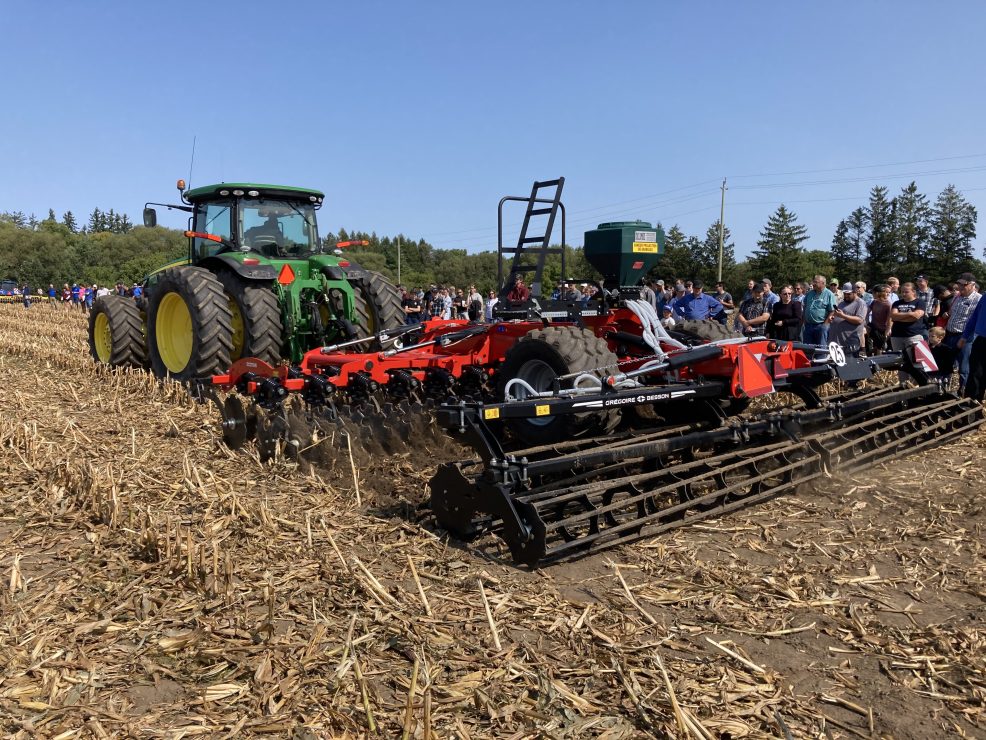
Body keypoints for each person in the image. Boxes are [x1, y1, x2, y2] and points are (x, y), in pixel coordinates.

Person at [946, 274, 980, 392]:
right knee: (947, 363)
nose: (960, 286)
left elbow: (975, 321)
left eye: (963, 284)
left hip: (965, 337)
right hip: (950, 334)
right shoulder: (957, 296)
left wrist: (965, 338)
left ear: (972, 285)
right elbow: (952, 313)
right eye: (959, 284)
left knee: (964, 366)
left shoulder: (978, 299)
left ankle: (963, 390)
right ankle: (946, 388)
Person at [890, 282, 926, 382]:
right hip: (897, 336)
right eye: (902, 292)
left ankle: (919, 386)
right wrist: (910, 314)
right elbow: (893, 316)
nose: (904, 294)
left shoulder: (919, 302)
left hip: (914, 336)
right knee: (901, 363)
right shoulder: (896, 303)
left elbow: (916, 316)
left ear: (913, 292)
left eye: (906, 292)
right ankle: (904, 386)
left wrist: (900, 317)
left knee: (917, 363)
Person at [959, 280, 986, 402]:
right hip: (982, 340)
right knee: (975, 373)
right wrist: (964, 336)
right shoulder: (985, 297)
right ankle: (972, 403)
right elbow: (974, 317)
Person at [829, 283, 868, 355]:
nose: (846, 296)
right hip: (837, 341)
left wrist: (843, 316)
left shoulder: (860, 303)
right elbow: (838, 314)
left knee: (850, 363)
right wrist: (833, 317)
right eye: (845, 294)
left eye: (848, 294)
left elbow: (859, 320)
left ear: (854, 292)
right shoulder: (842, 303)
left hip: (850, 342)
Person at [802, 275, 837, 346]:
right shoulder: (809, 293)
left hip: (821, 326)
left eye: (816, 282)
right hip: (808, 325)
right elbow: (805, 306)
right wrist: (805, 321)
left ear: (823, 283)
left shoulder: (829, 294)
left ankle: (820, 357)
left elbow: (832, 311)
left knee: (820, 349)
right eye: (813, 281)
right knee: (807, 349)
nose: (813, 284)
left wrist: (825, 325)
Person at [867, 285, 892, 355]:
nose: (872, 295)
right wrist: (867, 324)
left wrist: (887, 331)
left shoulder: (888, 304)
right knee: (876, 347)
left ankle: (879, 363)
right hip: (874, 327)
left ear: (877, 293)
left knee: (880, 348)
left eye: (873, 293)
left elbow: (890, 319)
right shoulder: (874, 302)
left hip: (882, 329)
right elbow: (867, 312)